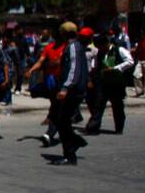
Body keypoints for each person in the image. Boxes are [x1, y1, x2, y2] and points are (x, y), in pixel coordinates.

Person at [49, 22, 89, 165]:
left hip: (73, 91)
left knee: (62, 121)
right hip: (75, 89)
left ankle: (71, 151)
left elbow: (74, 69)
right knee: (62, 121)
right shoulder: (76, 46)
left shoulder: (73, 47)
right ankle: (74, 143)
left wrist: (65, 88)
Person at [85, 30, 133, 135]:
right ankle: (93, 126)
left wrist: (115, 68)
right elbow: (95, 66)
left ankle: (119, 127)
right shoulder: (99, 53)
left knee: (117, 106)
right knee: (98, 105)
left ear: (106, 43)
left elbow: (130, 61)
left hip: (116, 83)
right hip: (102, 83)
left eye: (101, 46)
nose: (100, 49)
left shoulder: (118, 49)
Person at [25, 25, 65, 148]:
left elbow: (59, 62)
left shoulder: (68, 48)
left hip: (64, 82)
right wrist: (31, 70)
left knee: (58, 110)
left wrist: (49, 64)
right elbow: (41, 61)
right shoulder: (49, 47)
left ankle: (52, 134)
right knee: (56, 108)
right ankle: (52, 134)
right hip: (52, 83)